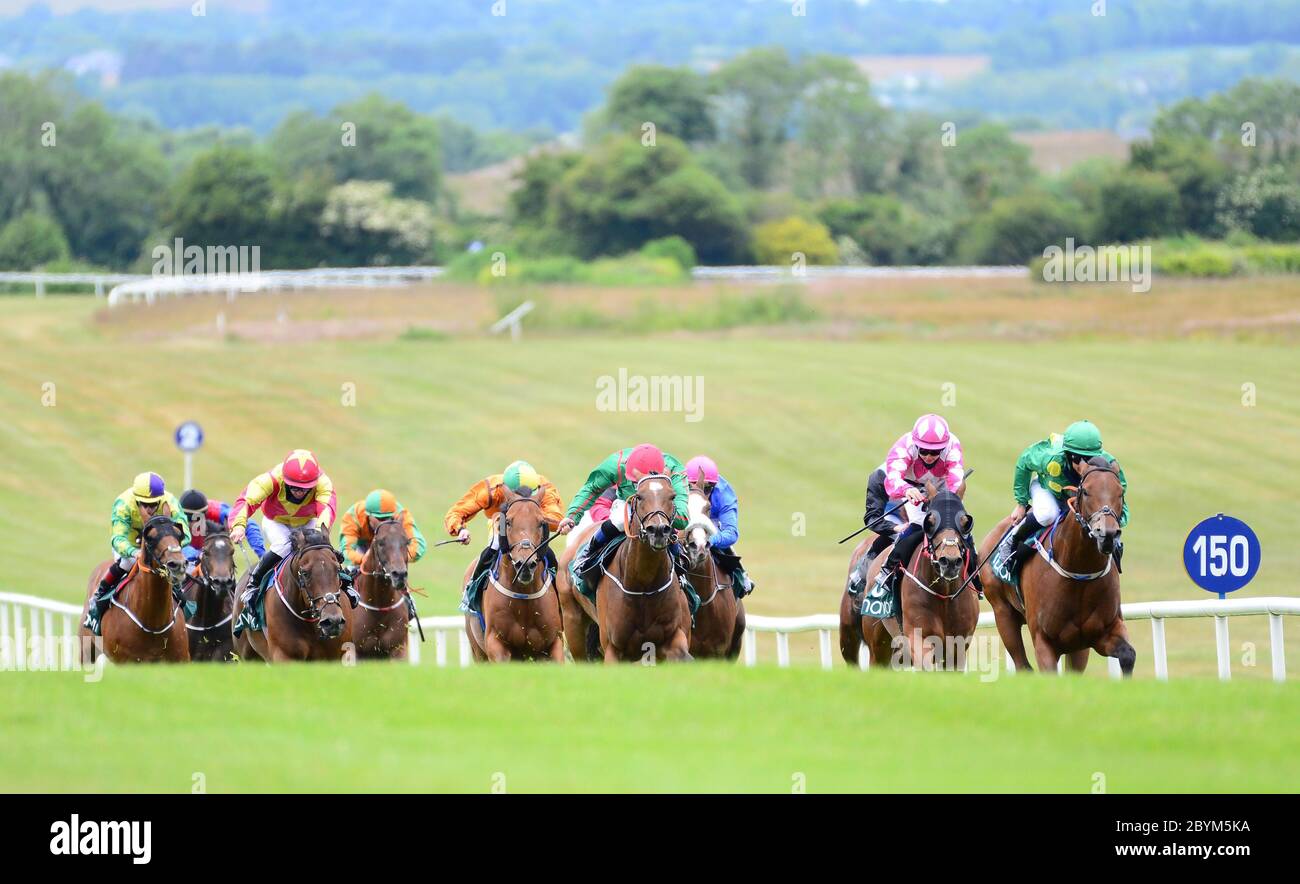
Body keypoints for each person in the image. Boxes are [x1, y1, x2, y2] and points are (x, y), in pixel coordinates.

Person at [992, 420, 1128, 582]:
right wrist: (1021, 503)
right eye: (1078, 458)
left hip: (1081, 496)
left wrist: (1116, 519)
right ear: (1068, 454)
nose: (1085, 464)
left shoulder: (1108, 465)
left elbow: (1118, 490)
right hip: (1048, 490)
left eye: (1090, 458)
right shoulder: (1050, 459)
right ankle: (1012, 541)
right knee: (1047, 514)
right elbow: (1024, 461)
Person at [865, 414, 980, 604]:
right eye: (924, 450)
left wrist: (942, 502)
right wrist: (908, 490)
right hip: (907, 483)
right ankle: (887, 571)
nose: (928, 456)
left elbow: (956, 481)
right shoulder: (904, 446)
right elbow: (892, 480)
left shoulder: (953, 446)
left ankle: (975, 574)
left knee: (957, 524)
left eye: (935, 452)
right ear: (916, 444)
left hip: (940, 485)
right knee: (919, 524)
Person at [563, 443, 689, 588]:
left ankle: (680, 569)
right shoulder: (615, 464)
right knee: (619, 521)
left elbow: (682, 519)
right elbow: (591, 488)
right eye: (635, 483)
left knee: (666, 526)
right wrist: (572, 517)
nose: (638, 485)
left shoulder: (675, 471)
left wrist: (662, 512)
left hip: (661, 505)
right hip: (628, 502)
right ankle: (588, 554)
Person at [84, 472, 190, 634]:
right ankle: (99, 597)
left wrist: (171, 548)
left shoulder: (171, 502)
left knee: (174, 567)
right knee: (127, 563)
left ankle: (182, 602)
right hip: (132, 545)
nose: (150, 509)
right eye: (144, 504)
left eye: (154, 504)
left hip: (161, 547)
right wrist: (134, 552)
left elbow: (186, 532)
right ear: (136, 498)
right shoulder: (123, 503)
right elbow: (118, 538)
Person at [228, 449, 339, 593]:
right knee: (284, 545)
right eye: (293, 486)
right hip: (275, 521)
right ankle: (254, 582)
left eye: (304, 488)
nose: (298, 491)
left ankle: (345, 586)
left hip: (307, 521)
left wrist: (319, 534)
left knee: (320, 549)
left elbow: (327, 510)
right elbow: (247, 500)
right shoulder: (271, 478)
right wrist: (238, 526)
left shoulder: (323, 483)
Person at [444, 461, 565, 592]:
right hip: (502, 519)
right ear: (506, 490)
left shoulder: (544, 488)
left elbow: (556, 518)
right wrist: (460, 529)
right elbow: (457, 511)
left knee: (547, 551)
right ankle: (472, 591)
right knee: (495, 545)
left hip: (532, 524)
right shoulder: (491, 489)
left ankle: (561, 594)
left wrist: (542, 519)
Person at [683, 455, 753, 597]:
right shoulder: (678, 488)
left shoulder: (724, 494)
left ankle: (741, 576)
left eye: (707, 488)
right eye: (692, 487)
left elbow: (731, 533)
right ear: (685, 484)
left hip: (712, 522)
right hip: (686, 520)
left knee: (722, 542)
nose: (701, 492)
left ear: (715, 486)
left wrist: (710, 540)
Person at [339, 489, 427, 573]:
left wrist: (399, 557)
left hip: (390, 547)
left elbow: (419, 546)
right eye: (378, 519)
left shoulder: (400, 515)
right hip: (361, 547)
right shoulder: (353, 517)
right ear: (368, 516)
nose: (382, 524)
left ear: (393, 515)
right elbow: (346, 552)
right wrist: (367, 560)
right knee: (347, 574)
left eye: (387, 519)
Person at [178, 488, 264, 573]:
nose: (194, 523)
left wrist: (262, 555)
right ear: (181, 514)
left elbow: (249, 524)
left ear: (206, 513)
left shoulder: (217, 510)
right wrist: (196, 554)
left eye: (199, 518)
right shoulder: (174, 515)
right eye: (189, 518)